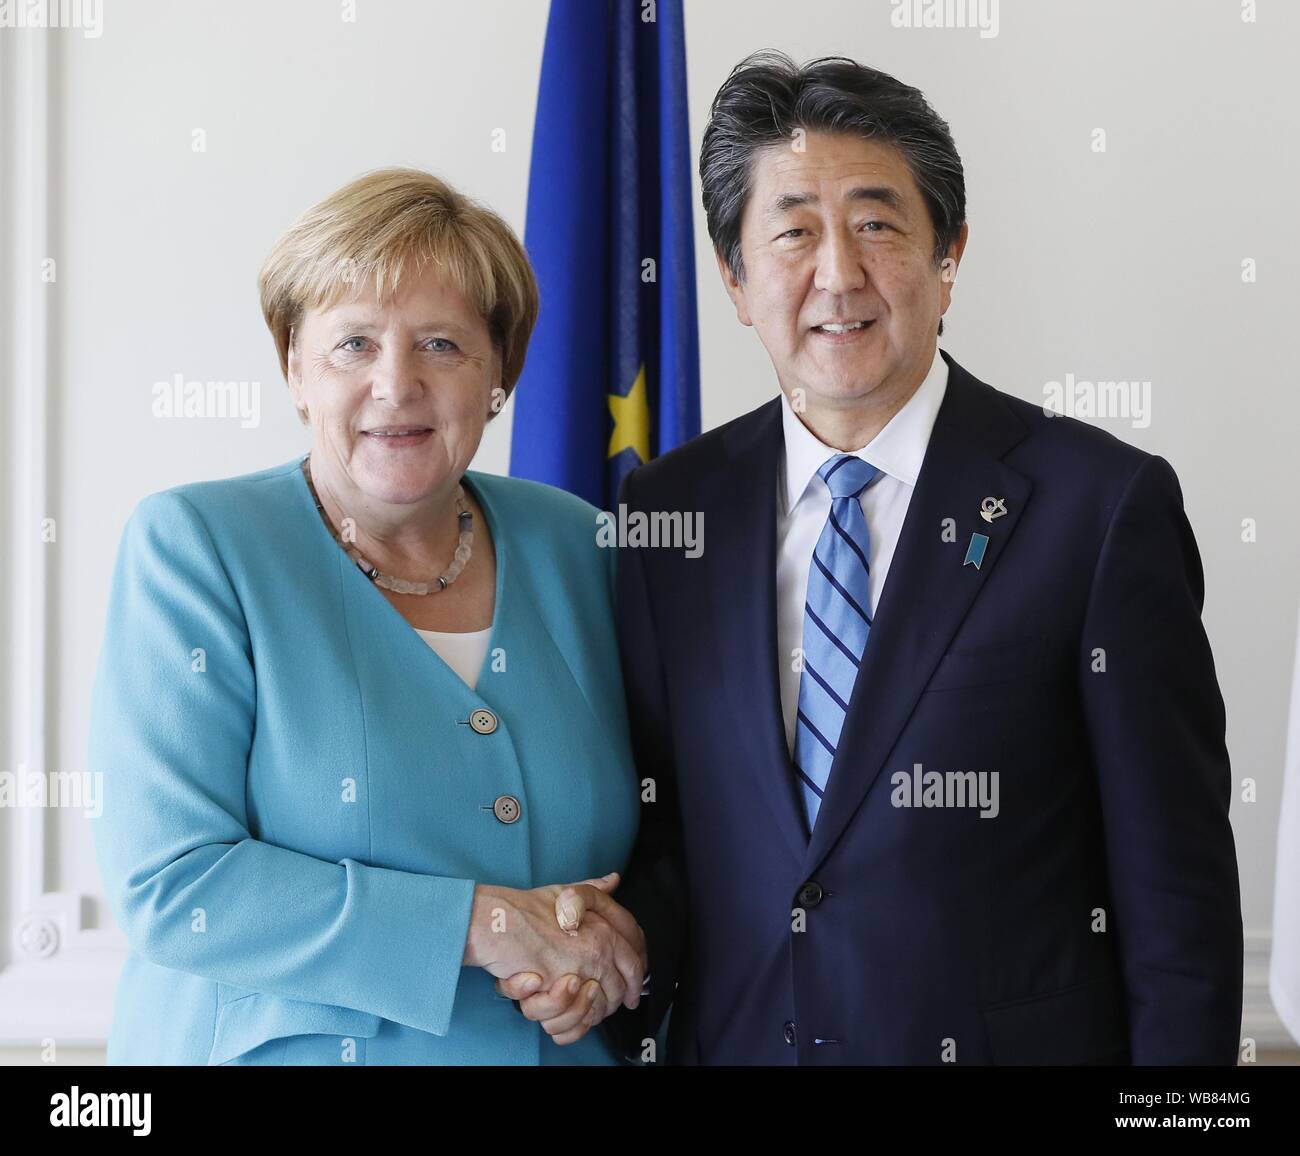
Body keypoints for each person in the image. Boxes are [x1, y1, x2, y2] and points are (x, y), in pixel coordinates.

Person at [501, 52, 1243, 1065]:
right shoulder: (670, 512)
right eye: (793, 231)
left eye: (878, 224)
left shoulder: (1098, 508)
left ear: (950, 255)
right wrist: (615, 941)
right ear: (732, 278)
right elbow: (675, 831)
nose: (837, 274)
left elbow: (1177, 893)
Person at [88, 167, 646, 1065]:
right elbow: (172, 881)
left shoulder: (583, 545)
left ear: (499, 371)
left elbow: (677, 818)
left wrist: (615, 942)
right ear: (293, 367)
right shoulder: (197, 546)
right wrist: (486, 923)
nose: (397, 385)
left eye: (440, 344)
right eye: (354, 344)